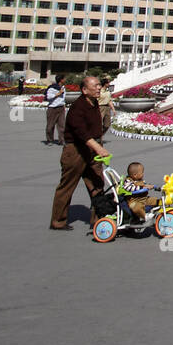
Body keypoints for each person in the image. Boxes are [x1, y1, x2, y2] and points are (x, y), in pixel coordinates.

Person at [49, 74, 109, 230]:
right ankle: (58, 221)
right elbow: (80, 132)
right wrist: (98, 147)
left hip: (92, 149)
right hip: (76, 150)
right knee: (67, 185)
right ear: (84, 90)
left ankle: (99, 220)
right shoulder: (78, 107)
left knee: (97, 184)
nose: (98, 87)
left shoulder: (94, 102)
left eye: (99, 85)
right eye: (95, 85)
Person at [44, 75, 66, 145]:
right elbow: (49, 97)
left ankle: (62, 140)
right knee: (50, 126)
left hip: (61, 108)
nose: (65, 80)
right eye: (64, 78)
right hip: (53, 108)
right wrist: (58, 93)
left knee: (62, 125)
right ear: (61, 80)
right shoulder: (52, 88)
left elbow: (63, 98)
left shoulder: (63, 87)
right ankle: (50, 140)